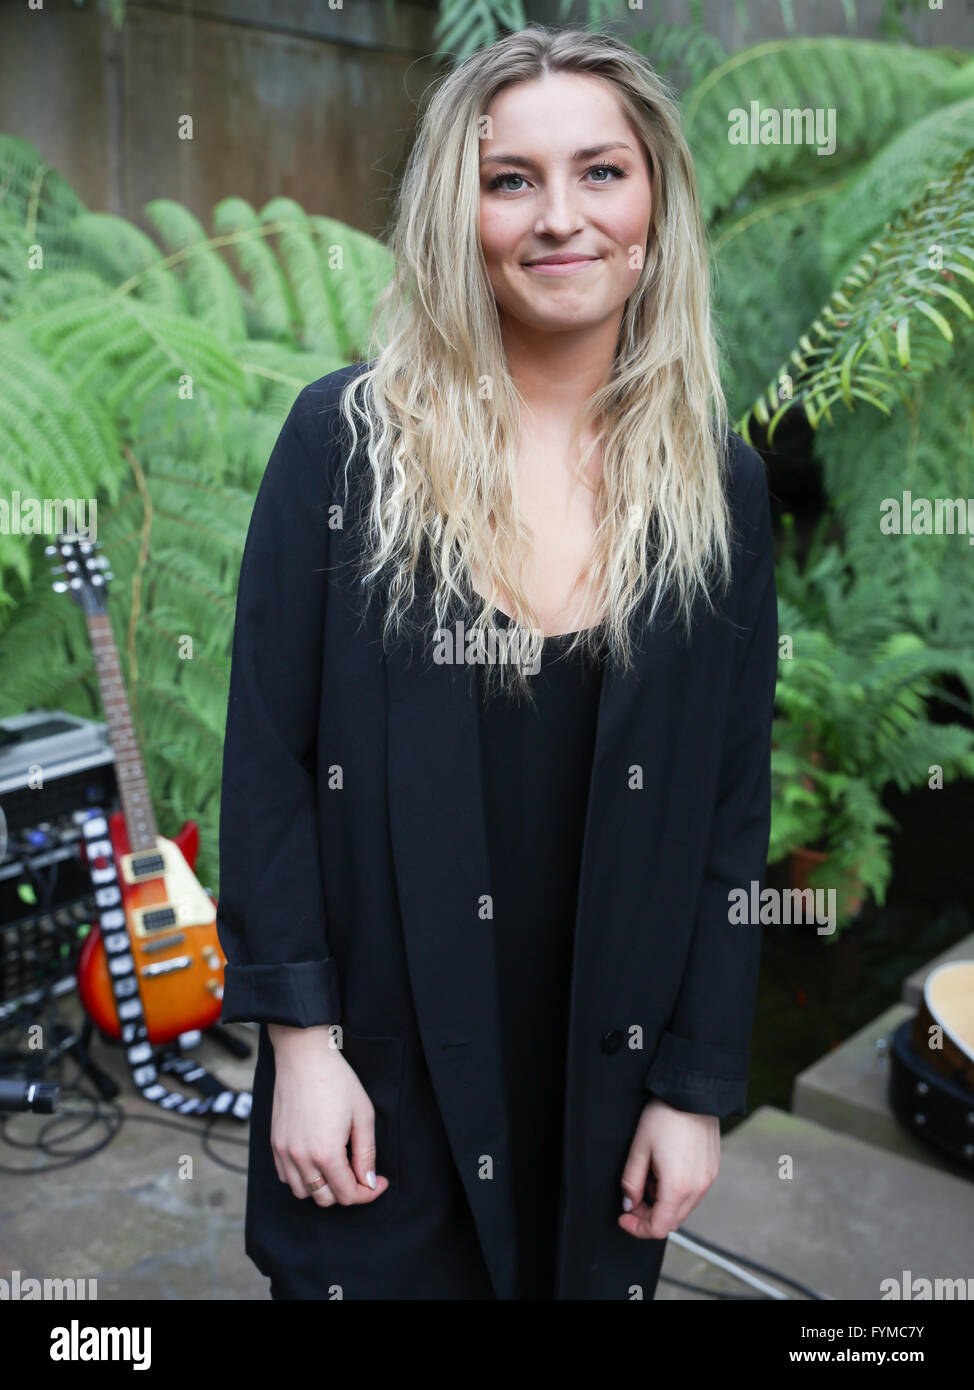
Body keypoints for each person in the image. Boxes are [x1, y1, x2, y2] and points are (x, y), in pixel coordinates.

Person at [216, 24, 778, 1301]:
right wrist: (300, 1046)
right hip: (382, 1076)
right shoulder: (344, 448)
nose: (559, 218)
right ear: (451, 212)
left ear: (655, 201)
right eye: (508, 178)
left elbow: (728, 817)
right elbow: (266, 761)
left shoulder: (717, 486)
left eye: (600, 172)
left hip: (604, 1076)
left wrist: (692, 1086)